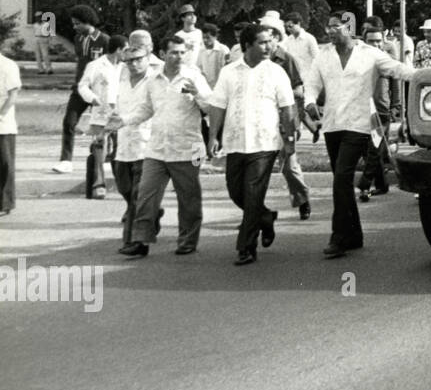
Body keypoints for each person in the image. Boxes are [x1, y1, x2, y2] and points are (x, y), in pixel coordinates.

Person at [304, 11, 417, 259]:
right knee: (340, 180)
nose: (330, 31)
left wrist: (423, 75)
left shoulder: (369, 54)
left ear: (349, 27)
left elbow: (397, 69)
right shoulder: (324, 56)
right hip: (333, 124)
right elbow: (311, 84)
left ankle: (339, 237)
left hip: (359, 124)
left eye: (336, 26)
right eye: (329, 26)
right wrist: (310, 102)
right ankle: (355, 235)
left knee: (342, 178)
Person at [111, 35, 212, 258]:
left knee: (189, 198)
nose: (179, 57)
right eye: (174, 52)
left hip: (187, 147)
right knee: (146, 194)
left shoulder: (193, 76)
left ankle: (187, 241)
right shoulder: (153, 79)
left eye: (182, 52)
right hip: (157, 148)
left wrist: (198, 94)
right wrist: (124, 120)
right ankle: (141, 240)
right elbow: (147, 108)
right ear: (163, 54)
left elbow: (210, 106)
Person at [209, 24, 298, 266]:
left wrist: (289, 141)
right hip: (235, 142)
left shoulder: (276, 72)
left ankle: (246, 247)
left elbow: (288, 108)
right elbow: (217, 104)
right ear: (247, 45)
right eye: (263, 42)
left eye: (271, 41)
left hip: (264, 142)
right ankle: (265, 217)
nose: (269, 46)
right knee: (236, 191)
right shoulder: (229, 72)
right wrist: (212, 136)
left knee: (252, 192)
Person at [108, 41, 160, 252]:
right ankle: (153, 214)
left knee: (137, 197)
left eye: (138, 59)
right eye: (129, 61)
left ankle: (136, 242)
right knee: (127, 192)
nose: (134, 64)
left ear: (148, 58)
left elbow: (155, 110)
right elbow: (115, 109)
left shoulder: (155, 81)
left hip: (146, 145)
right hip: (123, 146)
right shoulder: (122, 81)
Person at [261, 12, 312, 221]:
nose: (265, 40)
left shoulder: (286, 59)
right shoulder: (256, 60)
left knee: (289, 167)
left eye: (268, 36)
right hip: (261, 120)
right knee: (257, 170)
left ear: (275, 36)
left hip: (284, 120)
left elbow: (299, 91)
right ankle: (256, 212)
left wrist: (295, 120)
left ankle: (303, 199)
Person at [52, 5, 107, 177]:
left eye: (77, 24)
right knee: (69, 123)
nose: (75, 27)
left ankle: (105, 160)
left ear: (87, 22)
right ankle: (66, 161)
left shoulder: (104, 40)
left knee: (102, 126)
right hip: (79, 88)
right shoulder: (78, 39)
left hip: (98, 90)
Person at [77, 34, 127, 200]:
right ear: (118, 49)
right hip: (101, 109)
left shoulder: (124, 67)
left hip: (119, 110)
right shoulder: (96, 65)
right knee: (100, 145)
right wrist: (92, 98)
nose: (126, 54)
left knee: (120, 147)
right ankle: (99, 182)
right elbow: (82, 86)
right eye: (125, 50)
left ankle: (123, 183)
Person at [358, 24, 399, 202]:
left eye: (378, 41)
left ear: (383, 42)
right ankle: (382, 185)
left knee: (374, 150)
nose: (375, 45)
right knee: (370, 151)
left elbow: (396, 87)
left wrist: (396, 107)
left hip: (381, 112)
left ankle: (364, 185)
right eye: (370, 41)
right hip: (361, 111)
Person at [196, 23, 229, 159]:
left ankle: (219, 148)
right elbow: (199, 69)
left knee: (220, 119)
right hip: (206, 90)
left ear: (215, 37)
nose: (205, 40)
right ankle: (207, 148)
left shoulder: (223, 50)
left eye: (208, 37)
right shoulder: (200, 50)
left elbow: (225, 70)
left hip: (220, 89)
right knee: (203, 119)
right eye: (204, 37)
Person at [0, 49, 19, 216]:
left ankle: (6, 203)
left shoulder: (8, 66)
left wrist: (0, 114)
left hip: (3, 125)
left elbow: (12, 96)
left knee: (5, 164)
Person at [33, 10, 53, 75]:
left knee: (45, 55)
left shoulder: (46, 24)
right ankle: (40, 70)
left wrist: (49, 42)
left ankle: (49, 69)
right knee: (38, 55)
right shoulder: (35, 25)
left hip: (44, 39)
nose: (38, 18)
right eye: (36, 17)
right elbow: (34, 32)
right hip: (37, 38)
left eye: (39, 17)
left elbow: (50, 33)